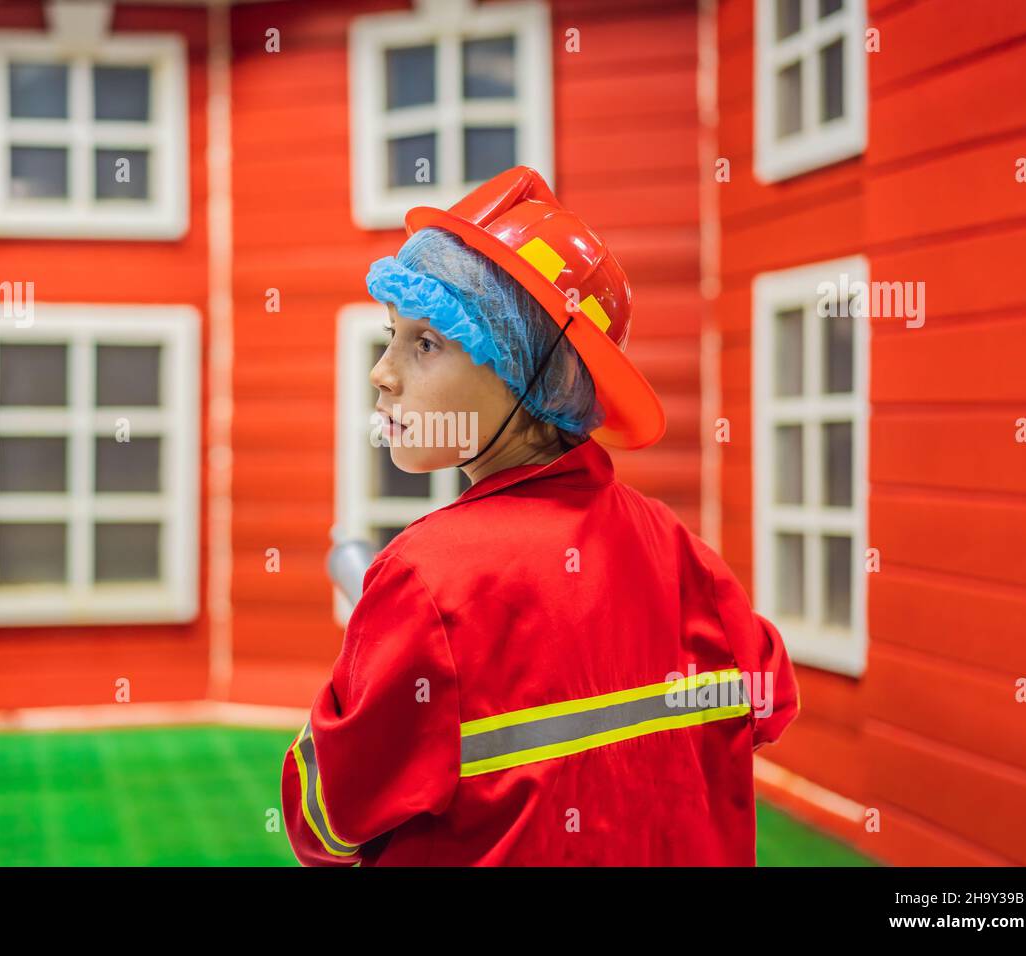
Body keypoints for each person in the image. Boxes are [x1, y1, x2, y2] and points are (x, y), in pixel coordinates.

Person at [281, 166, 800, 866]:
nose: (382, 371)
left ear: (528, 374)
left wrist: (366, 663)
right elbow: (771, 701)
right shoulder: (682, 554)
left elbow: (326, 820)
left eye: (426, 343)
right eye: (390, 335)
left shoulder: (422, 579)